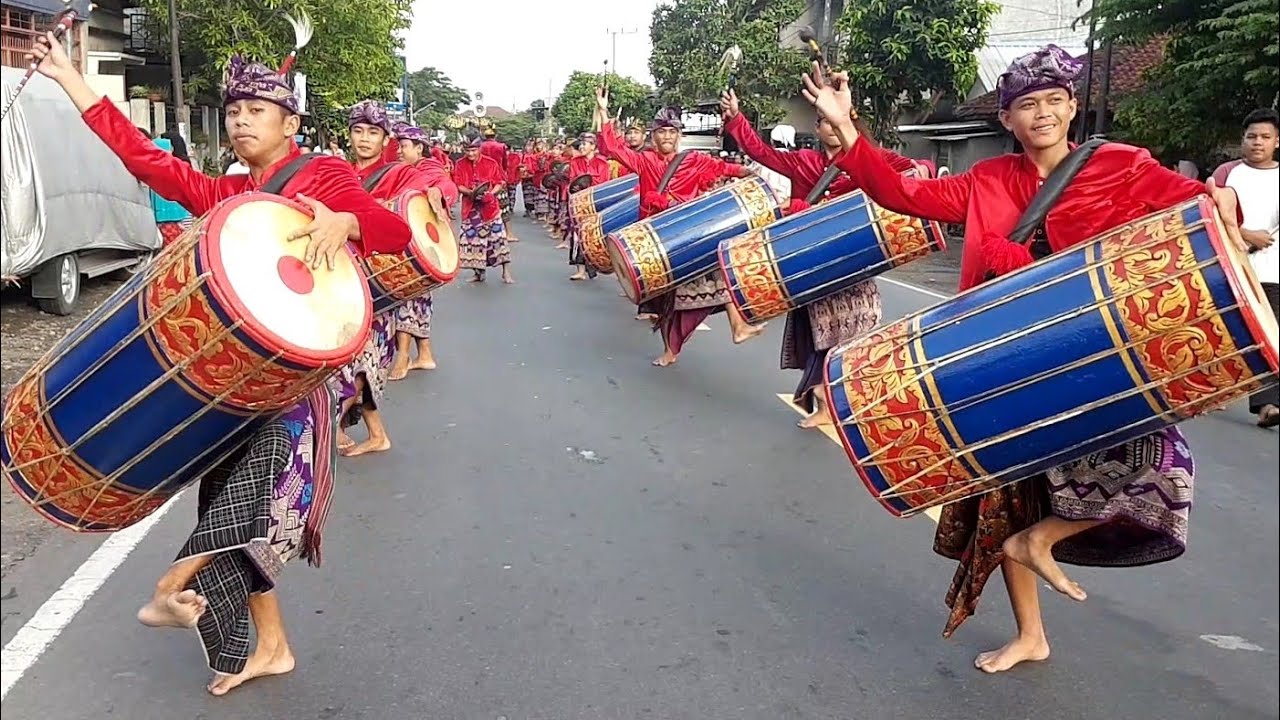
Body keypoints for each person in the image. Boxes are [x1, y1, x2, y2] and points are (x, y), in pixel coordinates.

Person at [801, 46, 1246, 673]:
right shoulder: (987, 180)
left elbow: (1186, 197)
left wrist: (1217, 196)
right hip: (1004, 354)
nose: (1041, 114)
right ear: (1006, 120)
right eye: (1026, 106)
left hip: (1094, 350)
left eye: (1052, 102)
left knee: (1163, 463)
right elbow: (900, 192)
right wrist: (848, 130)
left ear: (1071, 108)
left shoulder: (1122, 165)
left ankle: (1046, 539)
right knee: (1009, 498)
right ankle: (1031, 632)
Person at [26, 34, 411, 695]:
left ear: (289, 123)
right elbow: (146, 160)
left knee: (243, 505)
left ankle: (168, 588)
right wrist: (69, 76)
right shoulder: (231, 193)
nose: (238, 120)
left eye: (254, 110)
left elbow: (396, 232)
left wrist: (344, 224)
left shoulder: (325, 175)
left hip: (299, 381)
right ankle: (271, 647)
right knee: (229, 509)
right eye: (233, 110)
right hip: (237, 384)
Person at [721, 88, 924, 427]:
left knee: (861, 326)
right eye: (822, 121)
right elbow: (759, 151)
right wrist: (736, 119)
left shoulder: (872, 160)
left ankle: (833, 395)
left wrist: (923, 171)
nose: (830, 126)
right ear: (817, 129)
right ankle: (821, 397)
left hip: (856, 262)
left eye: (835, 120)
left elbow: (915, 170)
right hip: (813, 264)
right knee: (821, 333)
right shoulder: (804, 162)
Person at [594, 88, 766, 367]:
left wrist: (749, 172)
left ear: (679, 135)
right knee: (667, 303)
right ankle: (670, 350)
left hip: (691, 235)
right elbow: (612, 148)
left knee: (721, 272)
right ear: (654, 136)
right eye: (661, 132)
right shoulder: (644, 160)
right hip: (656, 240)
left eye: (672, 132)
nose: (667, 137)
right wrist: (603, 112)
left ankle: (739, 326)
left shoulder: (694, 160)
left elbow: (722, 168)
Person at [1212, 108, 1279, 428]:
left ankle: (1267, 404)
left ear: (1277, 142)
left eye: (1265, 137)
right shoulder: (1227, 174)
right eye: (1251, 136)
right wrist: (1245, 234)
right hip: (1230, 266)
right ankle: (1214, 389)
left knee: (1269, 338)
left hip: (1273, 272)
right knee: (1225, 331)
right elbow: (1209, 215)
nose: (1257, 142)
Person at [390, 123, 461, 379]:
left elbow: (446, 185)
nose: (399, 150)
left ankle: (402, 356)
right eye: (398, 145)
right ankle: (425, 354)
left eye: (404, 146)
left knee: (407, 298)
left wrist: (438, 191)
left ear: (419, 148)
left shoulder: (428, 168)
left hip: (419, 248)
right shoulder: (401, 169)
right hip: (411, 245)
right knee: (419, 299)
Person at [453, 137, 514, 284]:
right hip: (471, 208)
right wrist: (469, 192)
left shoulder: (490, 163)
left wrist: (491, 193)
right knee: (472, 241)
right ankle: (478, 273)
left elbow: (499, 183)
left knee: (498, 239)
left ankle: (506, 272)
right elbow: (458, 184)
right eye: (467, 151)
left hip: (490, 208)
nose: (470, 154)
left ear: (479, 149)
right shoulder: (459, 164)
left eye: (473, 150)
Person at [566, 132, 611, 281]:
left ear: (593, 146)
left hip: (596, 202)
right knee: (578, 234)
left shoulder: (602, 163)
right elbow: (573, 180)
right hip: (580, 202)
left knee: (593, 235)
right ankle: (580, 269)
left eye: (585, 144)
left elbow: (605, 183)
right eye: (581, 144)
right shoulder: (575, 161)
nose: (582, 146)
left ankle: (594, 265)